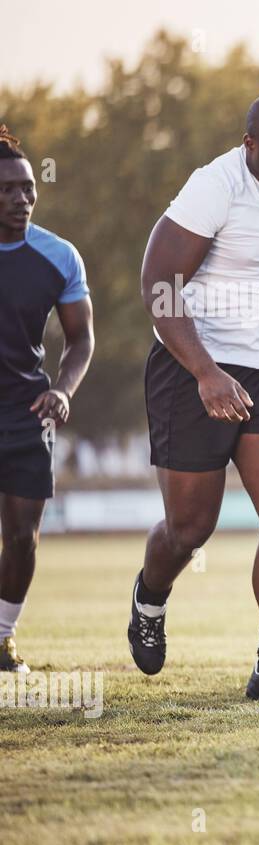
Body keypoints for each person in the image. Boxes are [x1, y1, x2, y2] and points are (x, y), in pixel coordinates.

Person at [128, 92, 259, 700]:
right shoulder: (213, 187)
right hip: (190, 362)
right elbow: (158, 286)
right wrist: (204, 372)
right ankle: (150, 597)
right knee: (190, 527)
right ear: (249, 145)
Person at [0, 125, 94, 673]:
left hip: (27, 412)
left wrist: (62, 389)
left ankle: (4, 638)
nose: (23, 199)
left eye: (29, 188)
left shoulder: (58, 256)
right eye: (9, 189)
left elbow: (81, 340)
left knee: (22, 537)